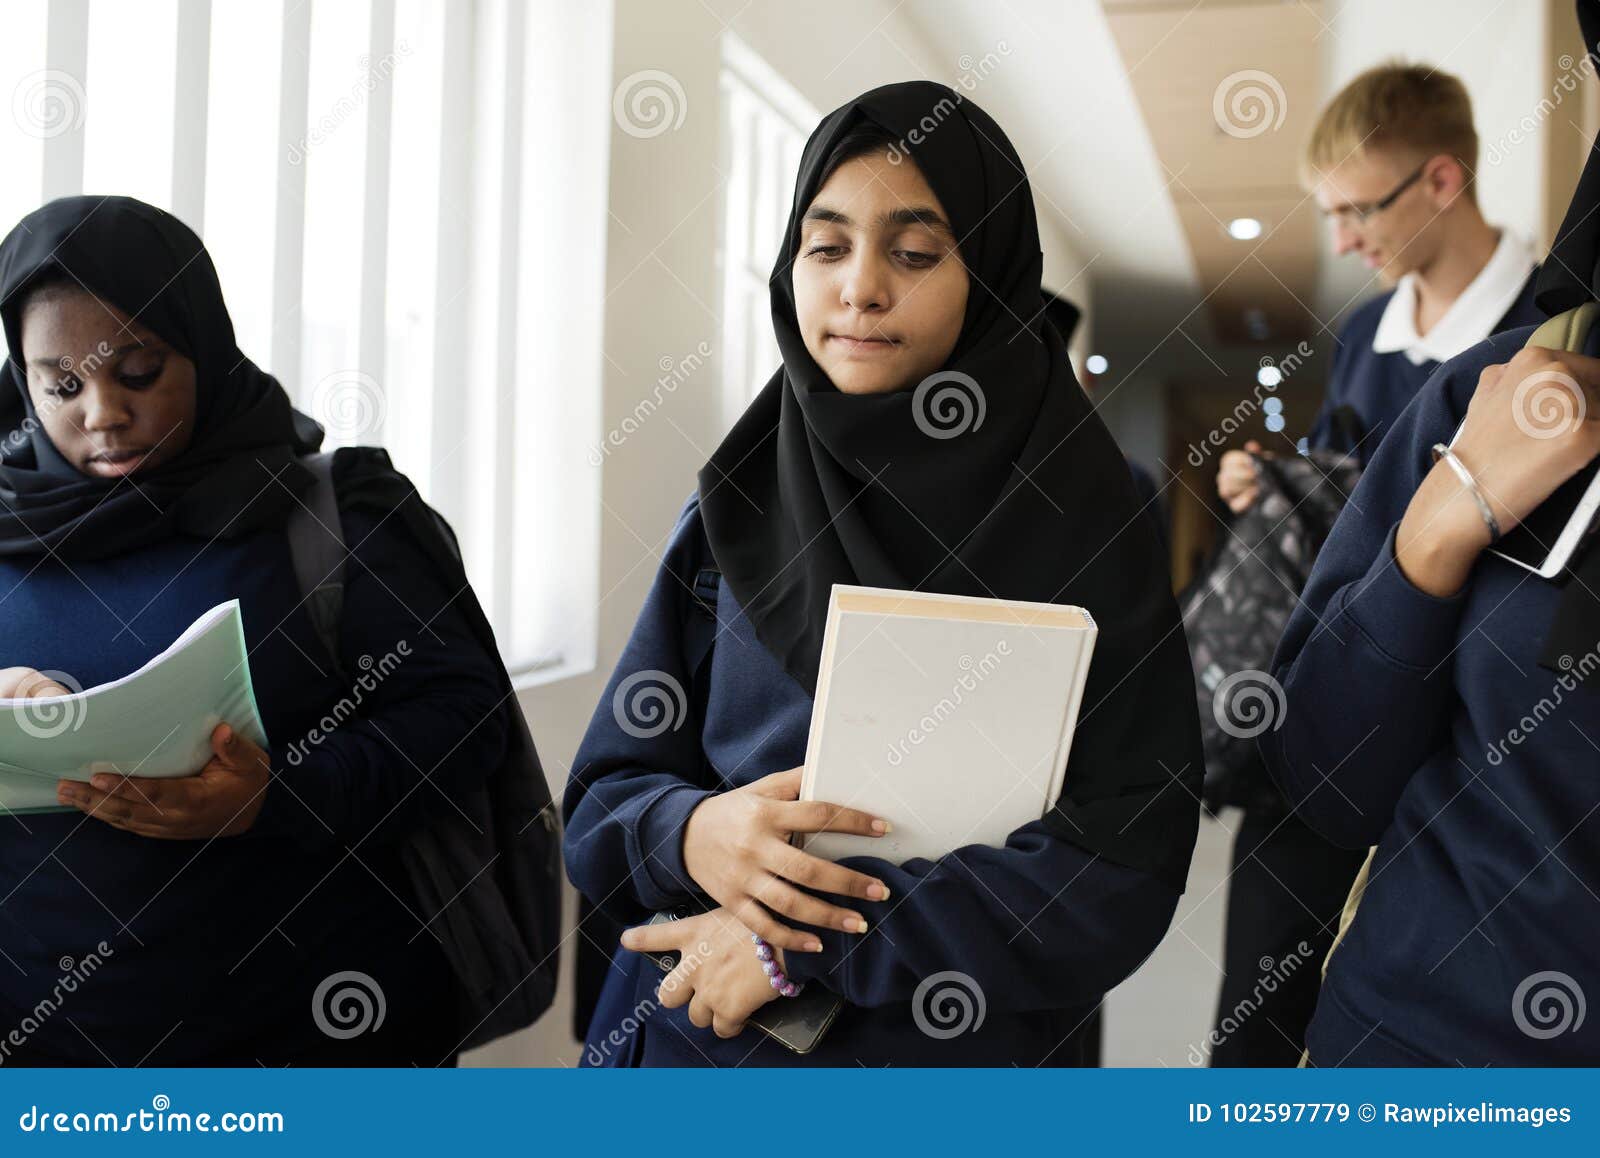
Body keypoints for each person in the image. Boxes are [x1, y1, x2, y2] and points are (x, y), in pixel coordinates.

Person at [562, 82, 1202, 1067]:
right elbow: (603, 800)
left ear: (987, 277)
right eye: (825, 246)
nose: (859, 286)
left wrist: (799, 942)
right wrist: (690, 832)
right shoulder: (739, 498)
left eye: (912, 253)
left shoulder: (1086, 517)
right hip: (711, 1052)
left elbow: (1120, 869)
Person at [0, 196, 512, 1066]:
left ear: (201, 344)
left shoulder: (326, 512)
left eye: (138, 371)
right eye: (62, 384)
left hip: (310, 1037)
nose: (102, 414)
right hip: (47, 1051)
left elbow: (467, 717)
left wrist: (276, 794)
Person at [1203, 62, 1546, 1067]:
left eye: (1359, 210)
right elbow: (1338, 506)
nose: (1345, 240)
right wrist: (1269, 482)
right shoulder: (1362, 335)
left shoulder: (1551, 331)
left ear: (1441, 181)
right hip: (1345, 699)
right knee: (1253, 1008)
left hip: (1474, 730)